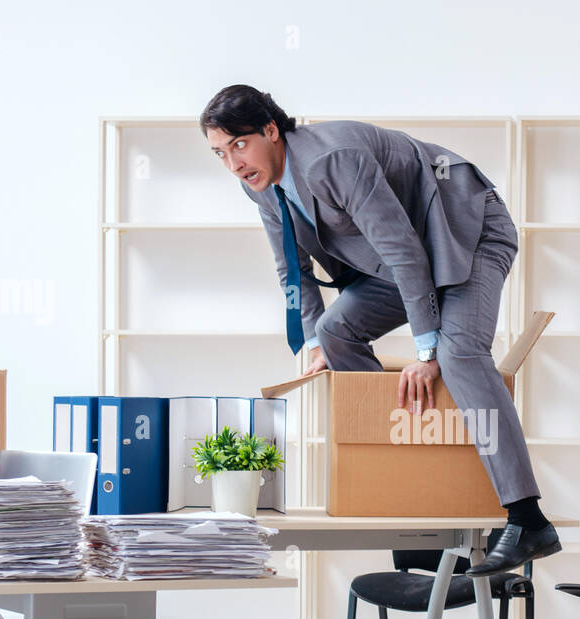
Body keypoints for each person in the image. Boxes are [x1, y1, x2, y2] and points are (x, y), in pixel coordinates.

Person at [199, 84, 559, 576]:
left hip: (466, 231)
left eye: (239, 145)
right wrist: (313, 344)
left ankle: (527, 518)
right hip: (403, 258)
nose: (233, 164)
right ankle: (415, 503)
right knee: (335, 331)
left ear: (270, 130)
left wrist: (427, 350)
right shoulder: (260, 185)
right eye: (220, 154)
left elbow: (402, 250)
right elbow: (292, 270)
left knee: (459, 356)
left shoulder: (333, 159)